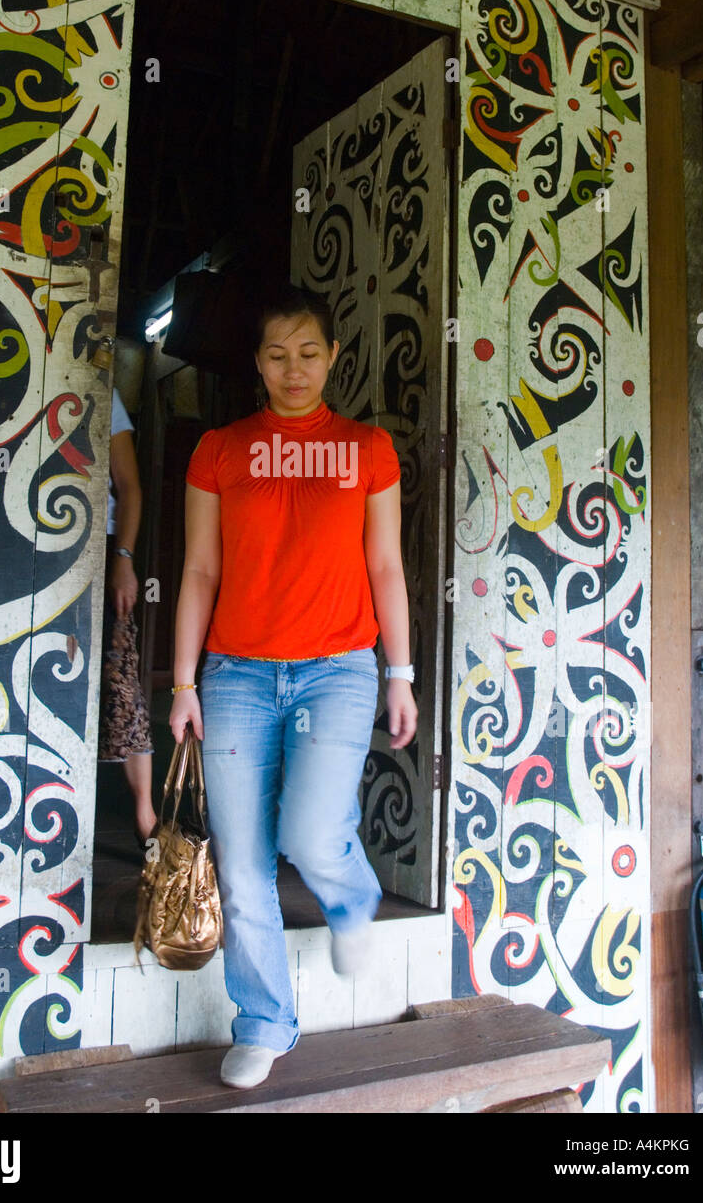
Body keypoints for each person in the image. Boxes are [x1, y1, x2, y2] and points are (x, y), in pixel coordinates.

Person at [169, 286, 418, 1090]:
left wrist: (401, 674)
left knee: (311, 833)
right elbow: (200, 569)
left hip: (338, 670)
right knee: (243, 866)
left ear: (334, 356)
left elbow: (386, 565)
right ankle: (266, 1022)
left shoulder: (367, 449)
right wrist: (182, 682)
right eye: (277, 354)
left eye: (309, 352)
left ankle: (351, 901)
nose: (294, 369)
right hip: (236, 674)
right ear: (257, 364)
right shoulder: (219, 449)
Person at [97, 385, 157, 848]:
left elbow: (130, 485)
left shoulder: (104, 392)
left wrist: (123, 559)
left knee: (120, 683)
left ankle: (144, 818)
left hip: (97, 552)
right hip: (26, 552)